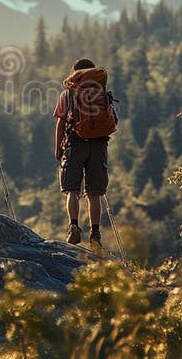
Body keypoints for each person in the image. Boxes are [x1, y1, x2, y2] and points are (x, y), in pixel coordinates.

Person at [53, 58, 117, 249]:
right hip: (99, 145)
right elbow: (113, 120)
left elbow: (61, 122)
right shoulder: (102, 93)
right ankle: (95, 234)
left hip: (75, 142)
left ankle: (73, 227)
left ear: (75, 73)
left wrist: (58, 147)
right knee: (94, 193)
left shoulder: (67, 94)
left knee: (72, 189)